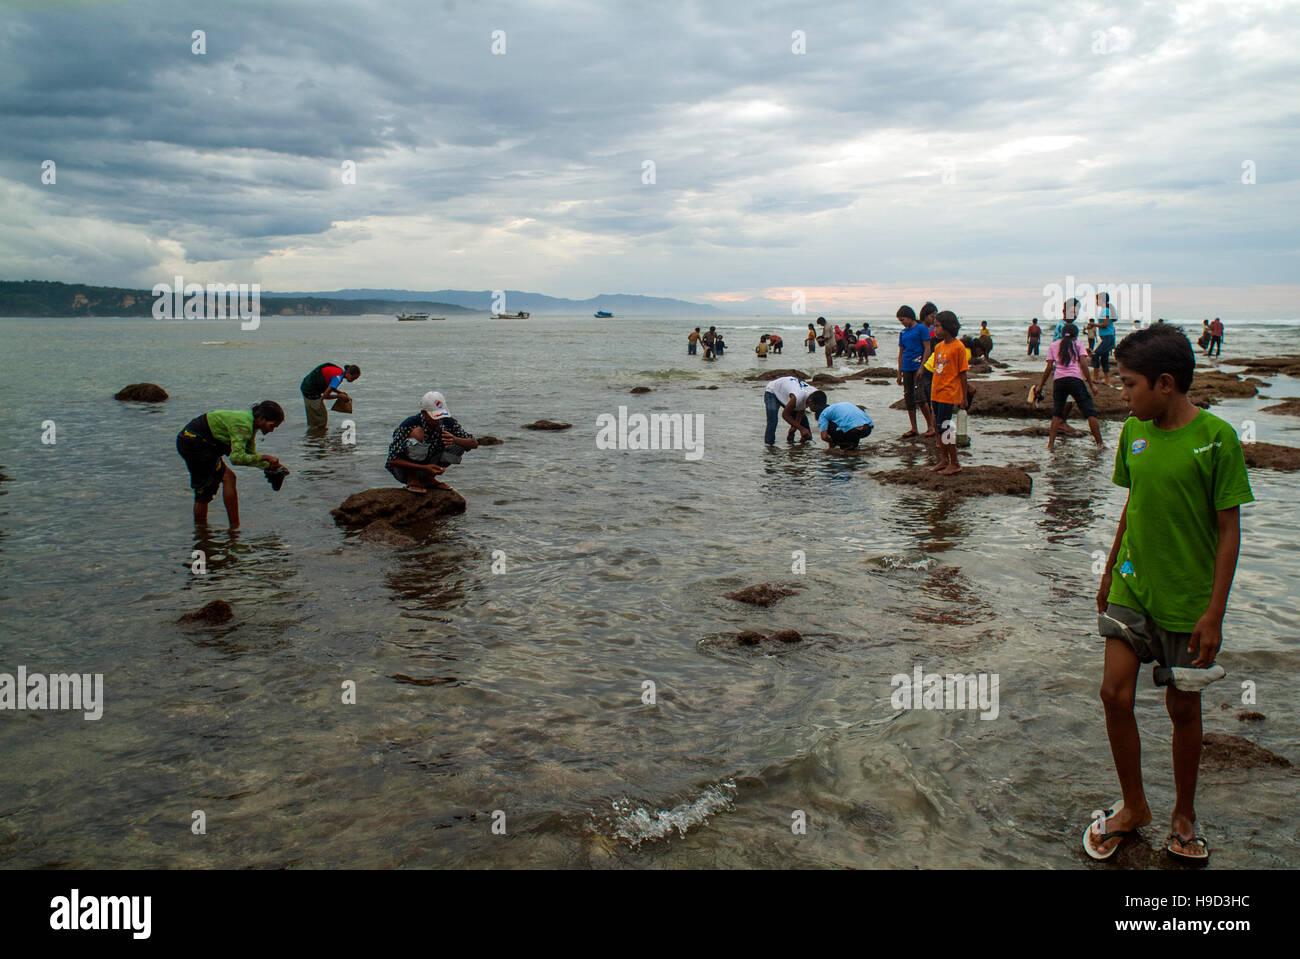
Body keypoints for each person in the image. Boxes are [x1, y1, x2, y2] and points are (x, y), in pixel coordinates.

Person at [1085, 323, 1253, 864]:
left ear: (1165, 383)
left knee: (1183, 708)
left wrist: (1214, 613)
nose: (1123, 394)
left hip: (1188, 601)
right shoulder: (1133, 433)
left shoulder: (1216, 438)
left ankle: (1184, 814)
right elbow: (1132, 505)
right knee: (1114, 695)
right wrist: (1110, 570)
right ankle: (1134, 806)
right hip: (1133, 587)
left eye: (1129, 384)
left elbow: (1229, 530)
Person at [176, 401, 286, 528]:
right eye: (272, 426)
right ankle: (206, 531)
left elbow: (249, 454)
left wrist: (268, 466)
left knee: (228, 479)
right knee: (204, 492)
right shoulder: (243, 426)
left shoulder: (251, 423)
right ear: (261, 419)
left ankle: (231, 528)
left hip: (204, 443)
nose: (272, 430)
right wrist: (265, 457)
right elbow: (236, 458)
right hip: (194, 443)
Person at [385, 391, 478, 493]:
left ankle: (428, 479)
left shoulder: (447, 422)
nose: (439, 421)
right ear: (424, 413)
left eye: (441, 417)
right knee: (417, 433)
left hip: (429, 467)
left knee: (460, 443)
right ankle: (413, 479)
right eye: (435, 417)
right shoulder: (409, 424)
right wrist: (424, 467)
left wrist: (455, 439)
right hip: (404, 470)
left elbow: (473, 443)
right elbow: (392, 460)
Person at [1033, 322, 1104, 450]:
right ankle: (1100, 444)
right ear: (1076, 335)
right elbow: (1083, 364)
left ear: (1061, 334)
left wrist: (1041, 385)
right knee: (1090, 412)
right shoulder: (1078, 345)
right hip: (1075, 380)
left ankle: (1051, 445)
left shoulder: (1054, 345)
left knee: (1057, 413)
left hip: (1059, 381)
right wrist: (1091, 384)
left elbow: (1049, 367)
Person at [926, 311, 969, 474]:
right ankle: (944, 460)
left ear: (948, 327)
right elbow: (938, 371)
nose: (935, 329)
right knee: (938, 427)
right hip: (936, 392)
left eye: (937, 326)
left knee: (946, 428)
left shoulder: (958, 347)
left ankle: (955, 462)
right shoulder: (938, 347)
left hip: (949, 393)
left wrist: (964, 397)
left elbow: (963, 373)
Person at [895, 306, 935, 439]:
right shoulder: (903, 333)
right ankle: (914, 428)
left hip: (917, 367)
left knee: (920, 397)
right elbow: (901, 353)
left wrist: (922, 367)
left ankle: (930, 426)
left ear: (910, 316)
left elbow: (927, 348)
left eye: (903, 319)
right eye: (900, 321)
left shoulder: (921, 328)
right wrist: (899, 372)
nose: (903, 323)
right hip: (906, 367)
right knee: (908, 397)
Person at [300, 362, 360, 430]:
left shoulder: (339, 372)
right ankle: (317, 437)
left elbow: (330, 386)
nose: (353, 380)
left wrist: (339, 392)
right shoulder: (338, 378)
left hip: (308, 385)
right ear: (348, 373)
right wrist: (339, 396)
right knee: (321, 419)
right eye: (353, 378)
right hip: (309, 390)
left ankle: (315, 436)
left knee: (316, 418)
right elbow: (325, 396)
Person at [807, 391, 873, 449]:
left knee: (831, 427)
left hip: (853, 431)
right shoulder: (841, 405)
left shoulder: (823, 414)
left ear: (813, 404)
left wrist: (833, 442)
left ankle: (846, 445)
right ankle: (852, 445)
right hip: (868, 428)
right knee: (845, 424)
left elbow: (824, 437)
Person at [763, 375, 816, 445]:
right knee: (773, 420)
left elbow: (801, 410)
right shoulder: (798, 396)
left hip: (787, 391)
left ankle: (805, 444)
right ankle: (769, 446)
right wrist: (801, 429)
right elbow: (785, 415)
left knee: (803, 420)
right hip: (772, 391)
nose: (814, 410)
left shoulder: (814, 394)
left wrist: (794, 428)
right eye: (814, 407)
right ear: (811, 402)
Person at [916, 302, 939, 436]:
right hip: (922, 366)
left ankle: (933, 426)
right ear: (925, 315)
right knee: (921, 397)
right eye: (932, 316)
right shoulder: (920, 328)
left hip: (932, 366)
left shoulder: (934, 330)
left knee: (930, 397)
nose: (933, 319)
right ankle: (930, 425)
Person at [1092, 293, 1118, 387]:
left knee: (1095, 354)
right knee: (1104, 359)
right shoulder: (1104, 310)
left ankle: (1096, 378)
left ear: (1102, 300)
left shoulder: (1106, 311)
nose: (1096, 301)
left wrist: (1093, 325)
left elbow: (1105, 324)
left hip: (1108, 337)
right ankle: (1107, 380)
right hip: (1106, 337)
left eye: (1097, 299)